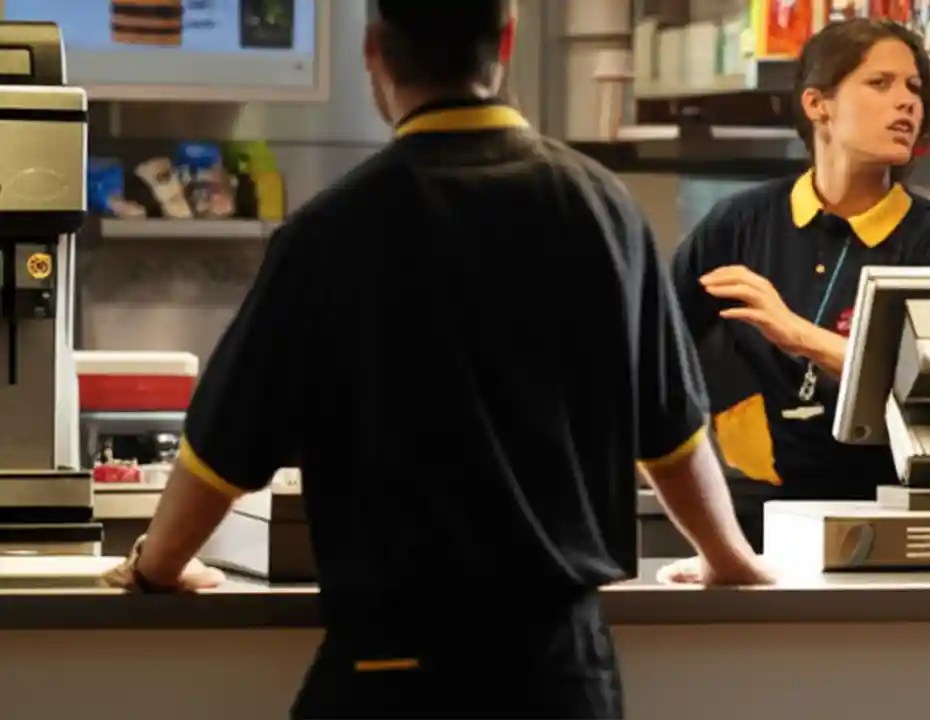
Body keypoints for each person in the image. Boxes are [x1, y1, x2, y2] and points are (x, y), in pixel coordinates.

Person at [101, 1, 772, 717]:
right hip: (557, 672)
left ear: (373, 55)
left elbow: (220, 449)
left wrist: (159, 566)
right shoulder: (601, 208)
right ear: (507, 41)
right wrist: (730, 559)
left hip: (391, 665)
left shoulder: (331, 231)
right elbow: (671, 431)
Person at [670, 19, 930, 515]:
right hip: (748, 510)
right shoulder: (741, 221)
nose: (907, 102)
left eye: (915, 88)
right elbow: (651, 346)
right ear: (818, 106)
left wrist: (796, 333)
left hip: (883, 511)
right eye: (880, 83)